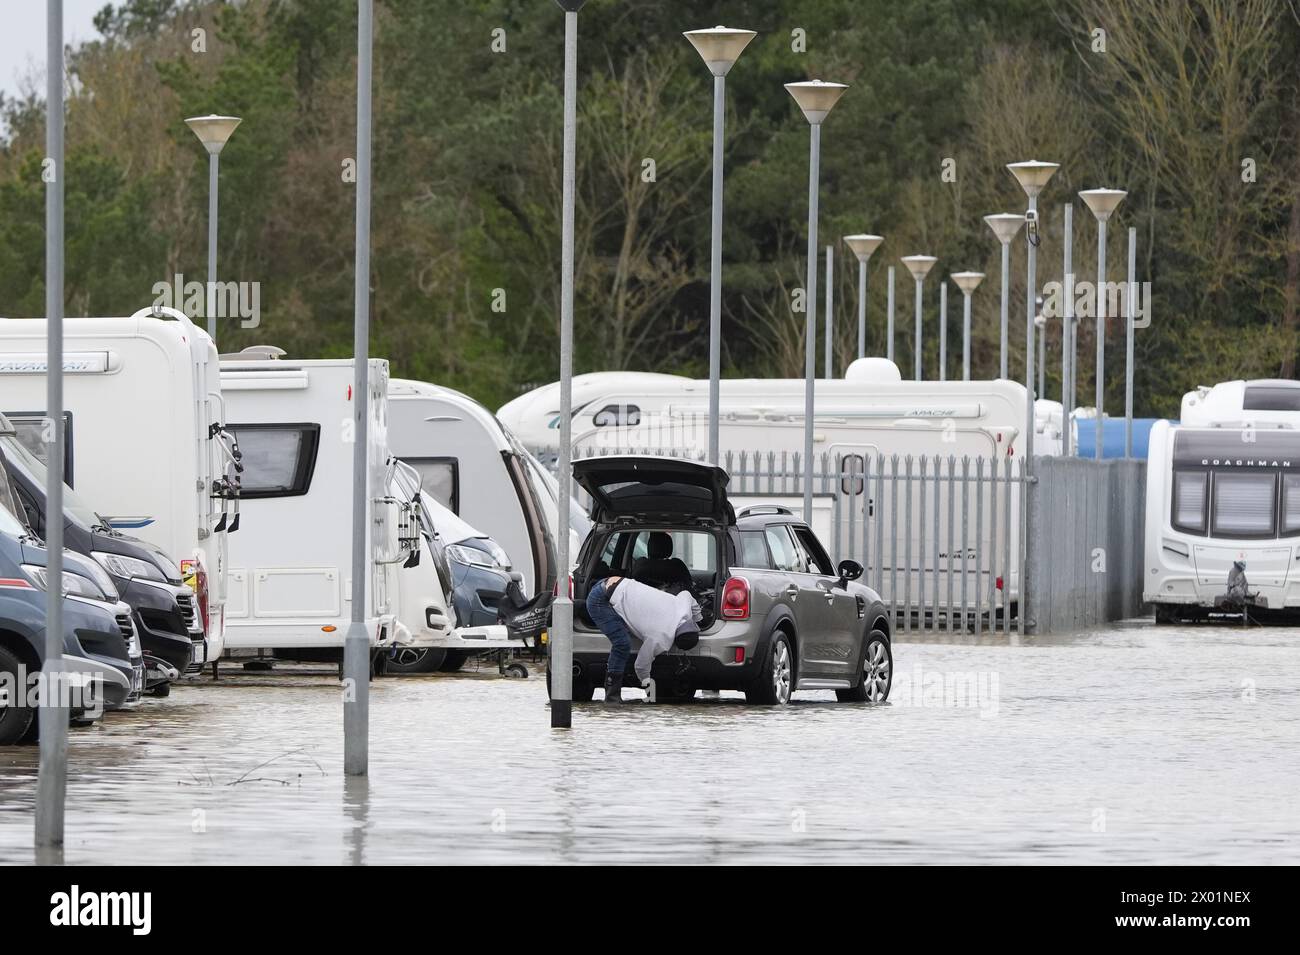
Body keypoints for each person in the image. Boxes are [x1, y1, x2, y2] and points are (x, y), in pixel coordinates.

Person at [586, 574, 702, 704]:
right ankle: (611, 699)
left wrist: (698, 619)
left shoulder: (683, 608)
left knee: (623, 625)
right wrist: (649, 689)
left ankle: (580, 607)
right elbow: (640, 666)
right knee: (622, 644)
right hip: (600, 600)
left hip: (616, 582)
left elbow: (687, 594)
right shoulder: (661, 638)